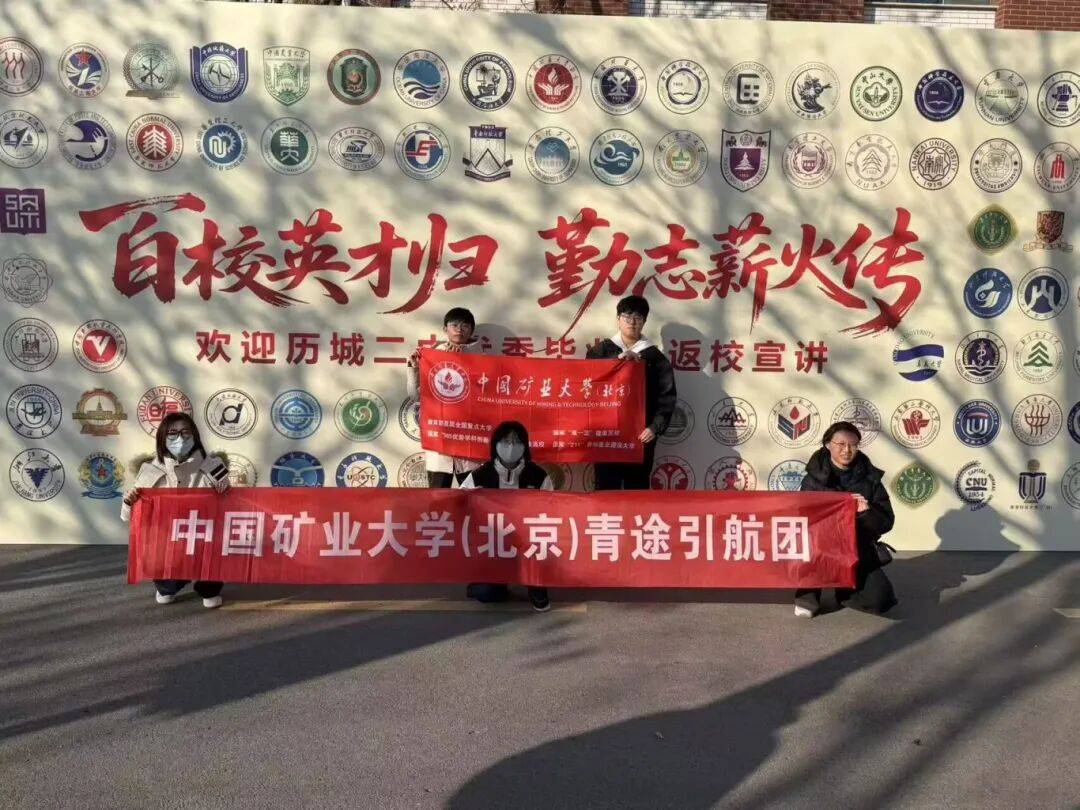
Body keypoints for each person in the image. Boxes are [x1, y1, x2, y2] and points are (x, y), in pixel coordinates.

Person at [121, 412, 231, 609]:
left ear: (195, 436)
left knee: (212, 569)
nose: (180, 438)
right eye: (172, 433)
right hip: (168, 540)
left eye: (186, 432)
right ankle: (167, 586)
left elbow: (230, 507)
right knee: (166, 590)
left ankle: (209, 588)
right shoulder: (149, 471)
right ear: (162, 437)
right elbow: (128, 517)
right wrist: (129, 502)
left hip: (205, 536)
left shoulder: (214, 466)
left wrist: (225, 492)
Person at [795, 421, 898, 618]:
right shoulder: (813, 478)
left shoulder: (870, 478)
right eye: (841, 444)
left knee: (881, 600)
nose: (847, 450)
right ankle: (808, 592)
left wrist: (866, 512)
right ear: (828, 444)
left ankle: (844, 590)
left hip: (856, 548)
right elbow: (803, 517)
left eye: (853, 445)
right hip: (821, 547)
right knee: (810, 546)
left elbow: (886, 522)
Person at [459, 421, 554, 612]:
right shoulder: (479, 475)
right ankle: (488, 583)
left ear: (525, 446)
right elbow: (459, 503)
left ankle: (535, 585)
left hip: (527, 542)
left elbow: (553, 508)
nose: (511, 446)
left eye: (517, 441)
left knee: (539, 547)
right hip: (493, 542)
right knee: (487, 594)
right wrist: (473, 499)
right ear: (495, 444)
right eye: (506, 441)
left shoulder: (538, 475)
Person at [585, 295, 676, 490]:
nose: (632, 322)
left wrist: (654, 427)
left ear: (644, 321)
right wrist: (616, 361)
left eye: (638, 317)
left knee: (636, 492)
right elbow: (587, 386)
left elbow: (666, 397)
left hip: (640, 437)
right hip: (607, 435)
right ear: (618, 319)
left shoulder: (656, 359)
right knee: (605, 491)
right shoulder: (599, 352)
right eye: (627, 316)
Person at [406, 307, 483, 488]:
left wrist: (462, 359)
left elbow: (485, 397)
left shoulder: (482, 358)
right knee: (438, 499)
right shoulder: (432, 356)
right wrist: (414, 368)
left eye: (465, 325)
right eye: (454, 325)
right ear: (445, 329)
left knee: (476, 498)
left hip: (469, 443)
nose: (459, 329)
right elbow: (415, 396)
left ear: (472, 330)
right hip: (439, 444)